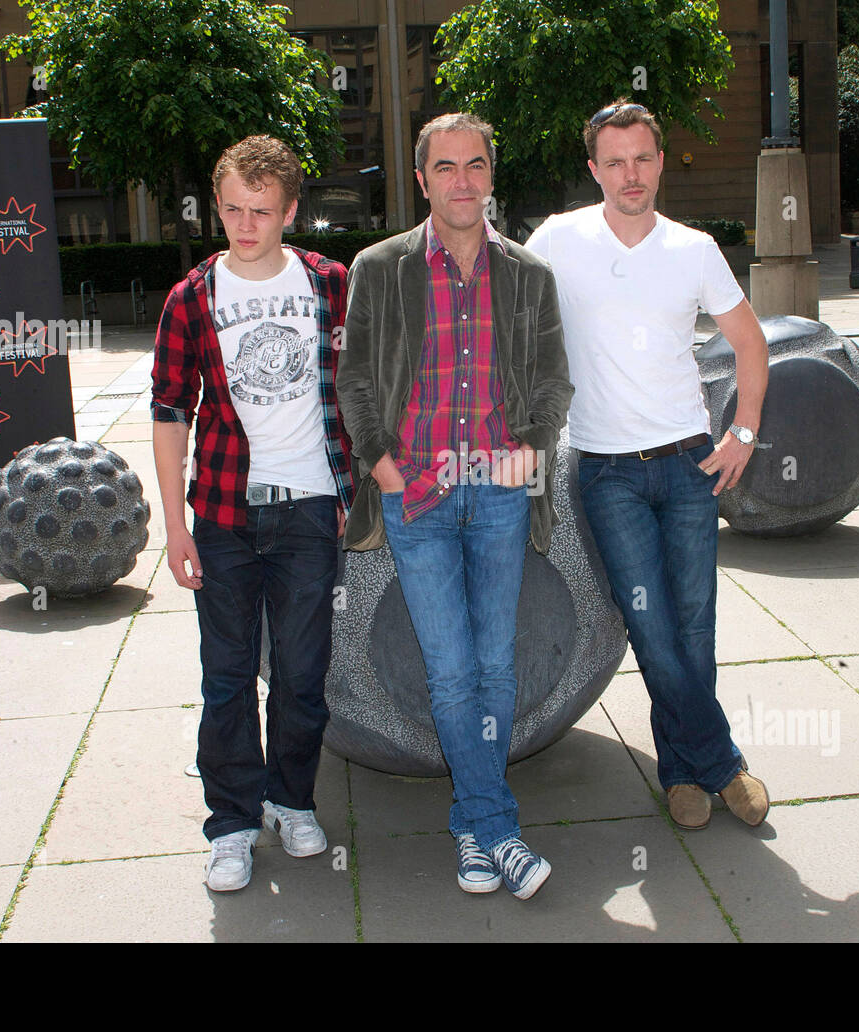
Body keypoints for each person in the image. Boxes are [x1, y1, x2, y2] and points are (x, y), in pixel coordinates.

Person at [337, 113, 573, 899]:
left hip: (502, 495)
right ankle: (496, 828)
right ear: (422, 180)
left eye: (475, 165)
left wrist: (531, 447)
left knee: (497, 665)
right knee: (450, 670)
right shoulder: (380, 267)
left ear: (490, 175)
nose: (463, 181)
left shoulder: (528, 275)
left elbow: (552, 380)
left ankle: (476, 830)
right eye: (446, 168)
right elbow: (355, 380)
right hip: (419, 499)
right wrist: (381, 464)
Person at [524, 100, 771, 832]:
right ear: (593, 168)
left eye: (643, 158)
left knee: (694, 627)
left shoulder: (693, 250)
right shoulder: (557, 240)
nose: (630, 174)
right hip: (607, 472)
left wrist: (745, 434)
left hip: (693, 464)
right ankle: (723, 762)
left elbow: (752, 347)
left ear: (661, 162)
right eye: (614, 161)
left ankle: (681, 775)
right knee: (651, 627)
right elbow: (501, 304)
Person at [151, 135, 353, 891]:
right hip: (227, 514)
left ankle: (290, 799)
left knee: (303, 676)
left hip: (309, 512)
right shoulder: (190, 298)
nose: (244, 224)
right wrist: (175, 526)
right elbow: (170, 413)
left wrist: (352, 489)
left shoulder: (332, 285)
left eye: (261, 211)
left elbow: (358, 392)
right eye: (231, 208)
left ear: (290, 210)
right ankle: (231, 821)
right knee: (228, 676)